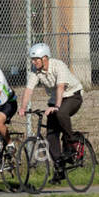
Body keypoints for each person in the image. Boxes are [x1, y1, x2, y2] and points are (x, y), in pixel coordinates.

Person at [18, 43, 84, 182]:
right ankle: (59, 167)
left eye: (36, 59)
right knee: (51, 135)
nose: (33, 62)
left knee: (60, 114)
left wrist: (57, 106)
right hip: (56, 100)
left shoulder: (58, 66)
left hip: (73, 96)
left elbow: (61, 87)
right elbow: (29, 89)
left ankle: (73, 143)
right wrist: (23, 107)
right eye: (32, 59)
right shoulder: (35, 71)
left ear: (45, 58)